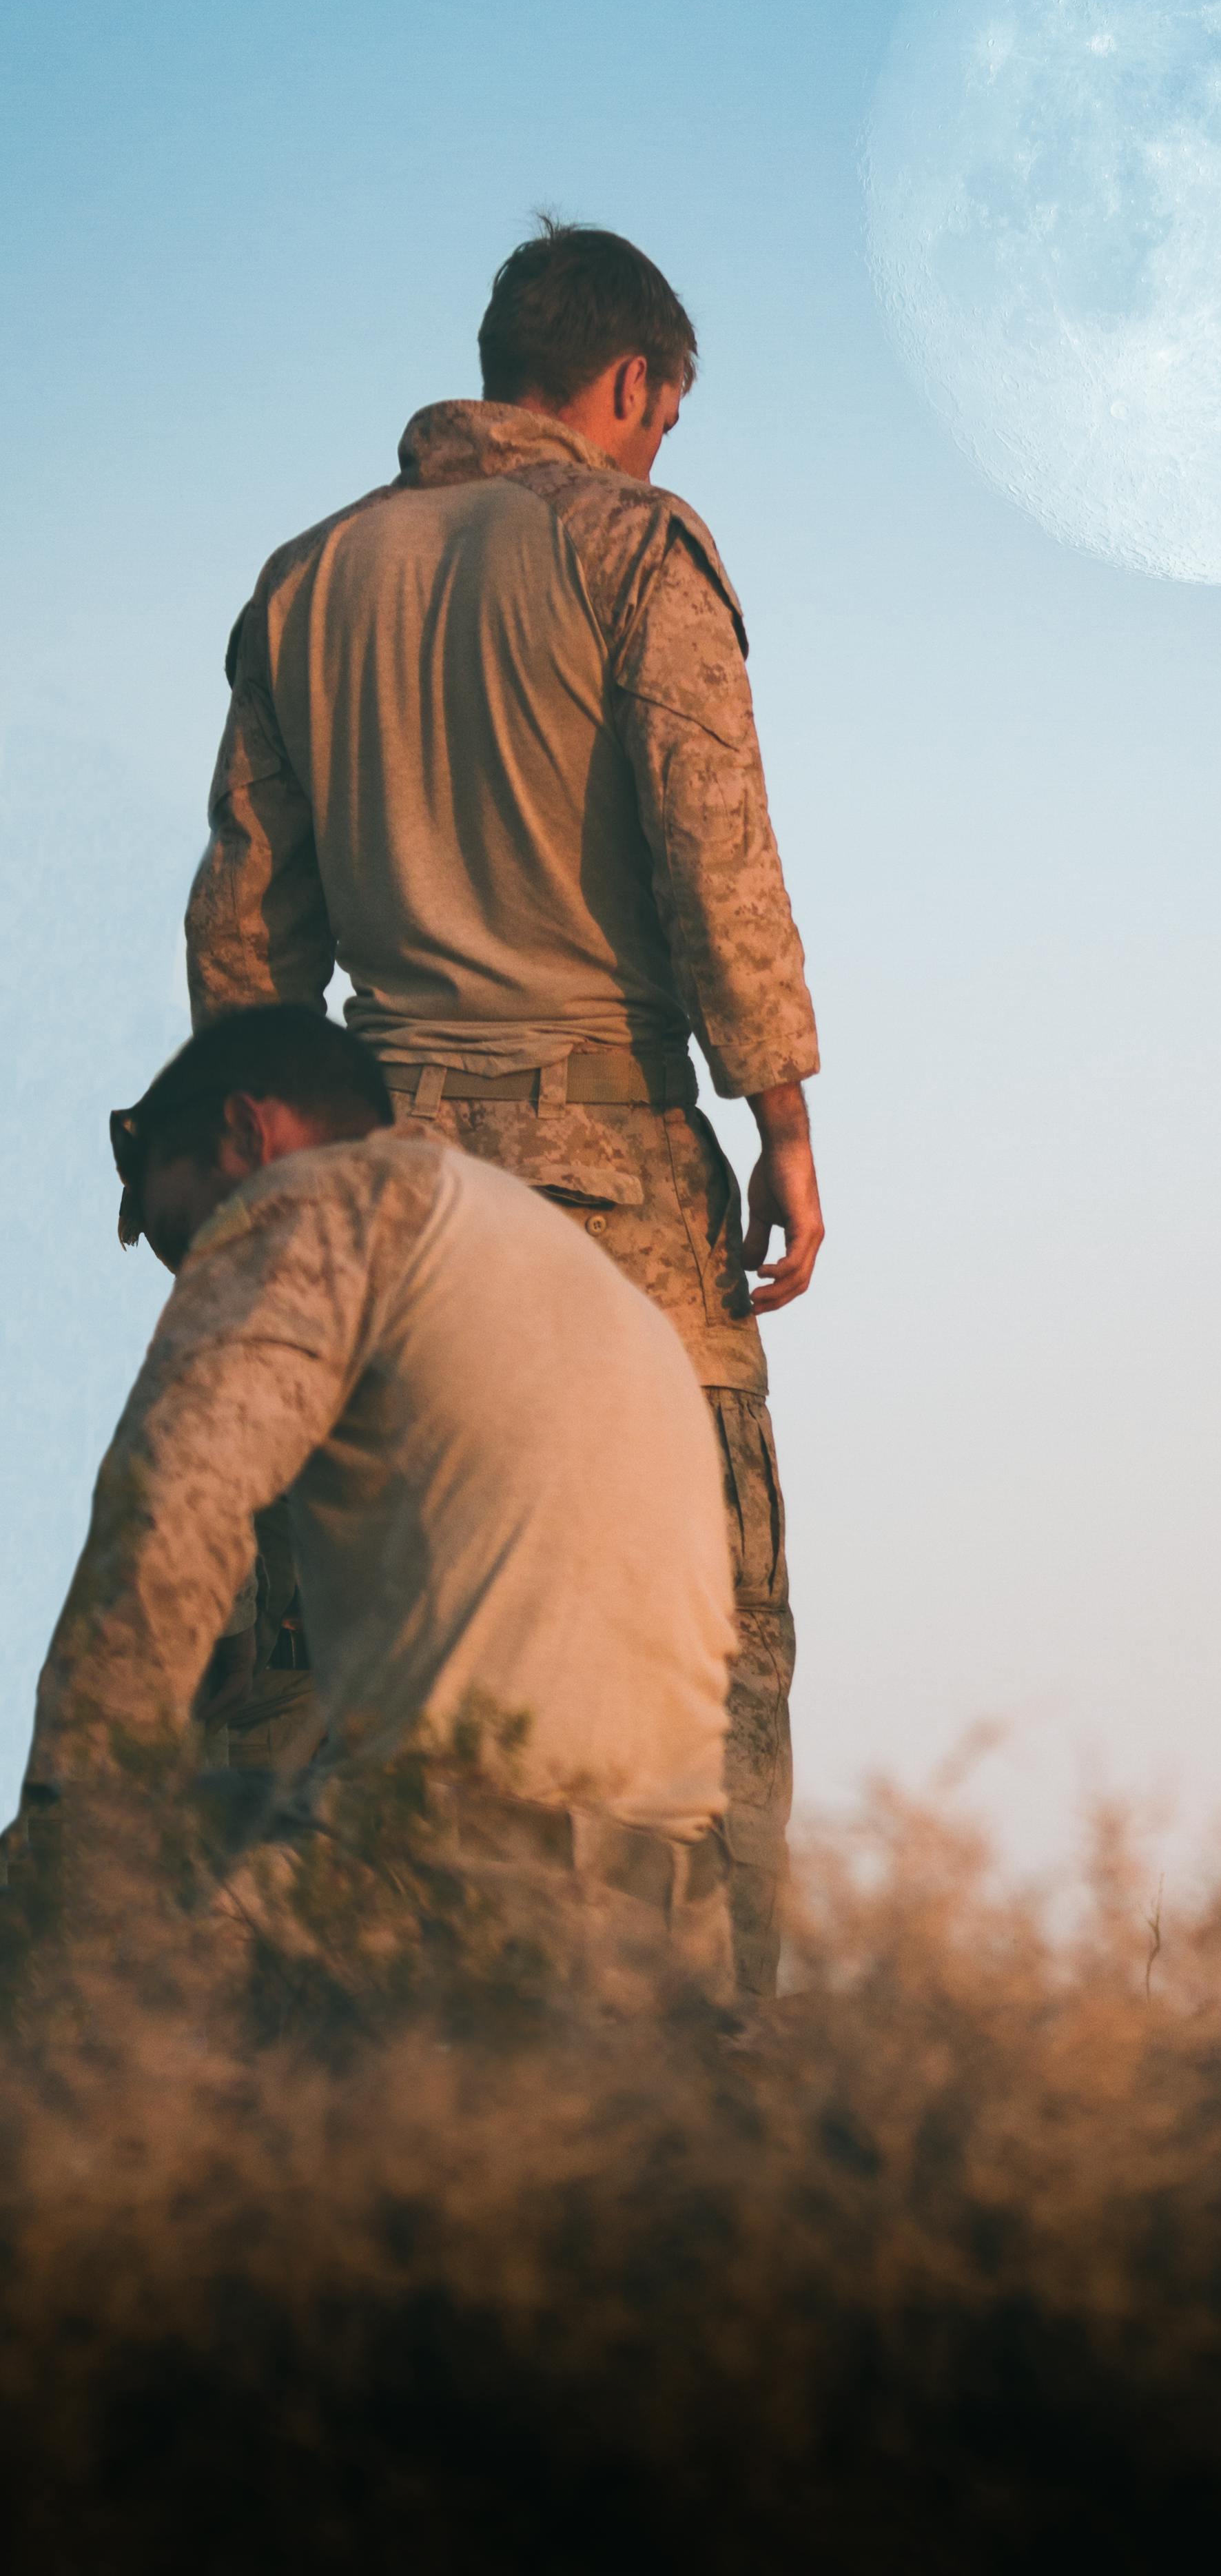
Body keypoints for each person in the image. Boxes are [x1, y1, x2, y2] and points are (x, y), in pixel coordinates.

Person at [185, 220, 820, 1992]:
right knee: (708, 1641)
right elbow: (717, 857)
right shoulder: (634, 549)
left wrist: (274, 1199)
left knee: (323, 1634)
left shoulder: (306, 579)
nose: (659, 445)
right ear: (632, 382)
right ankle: (716, 2076)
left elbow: (243, 932)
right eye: (665, 414)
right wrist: (781, 1121)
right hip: (611, 1189)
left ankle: (267, 2060)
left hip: (365, 1178)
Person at [24, 1008, 737, 1971]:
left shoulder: (328, 1201)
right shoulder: (580, 1279)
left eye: (191, 1234)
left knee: (67, 1931)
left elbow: (165, 1518)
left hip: (456, 1888)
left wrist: (59, 1857)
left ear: (248, 1133)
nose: (199, 1281)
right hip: (670, 1928)